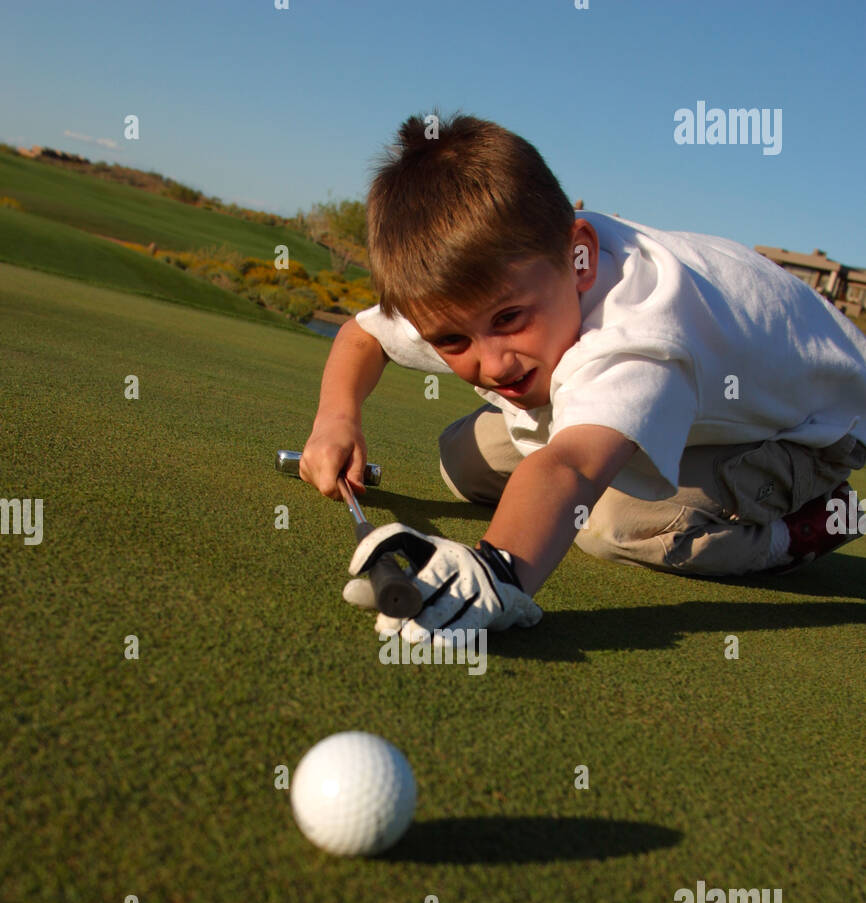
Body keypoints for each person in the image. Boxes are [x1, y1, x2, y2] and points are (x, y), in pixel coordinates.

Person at [300, 112, 866, 641]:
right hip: (693, 393)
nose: (494, 364)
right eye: (453, 341)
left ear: (581, 259)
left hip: (812, 429)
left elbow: (570, 465)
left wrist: (496, 571)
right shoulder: (493, 279)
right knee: (461, 461)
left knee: (615, 522)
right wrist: (336, 419)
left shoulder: (637, 333)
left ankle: (801, 530)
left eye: (510, 320)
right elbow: (362, 334)